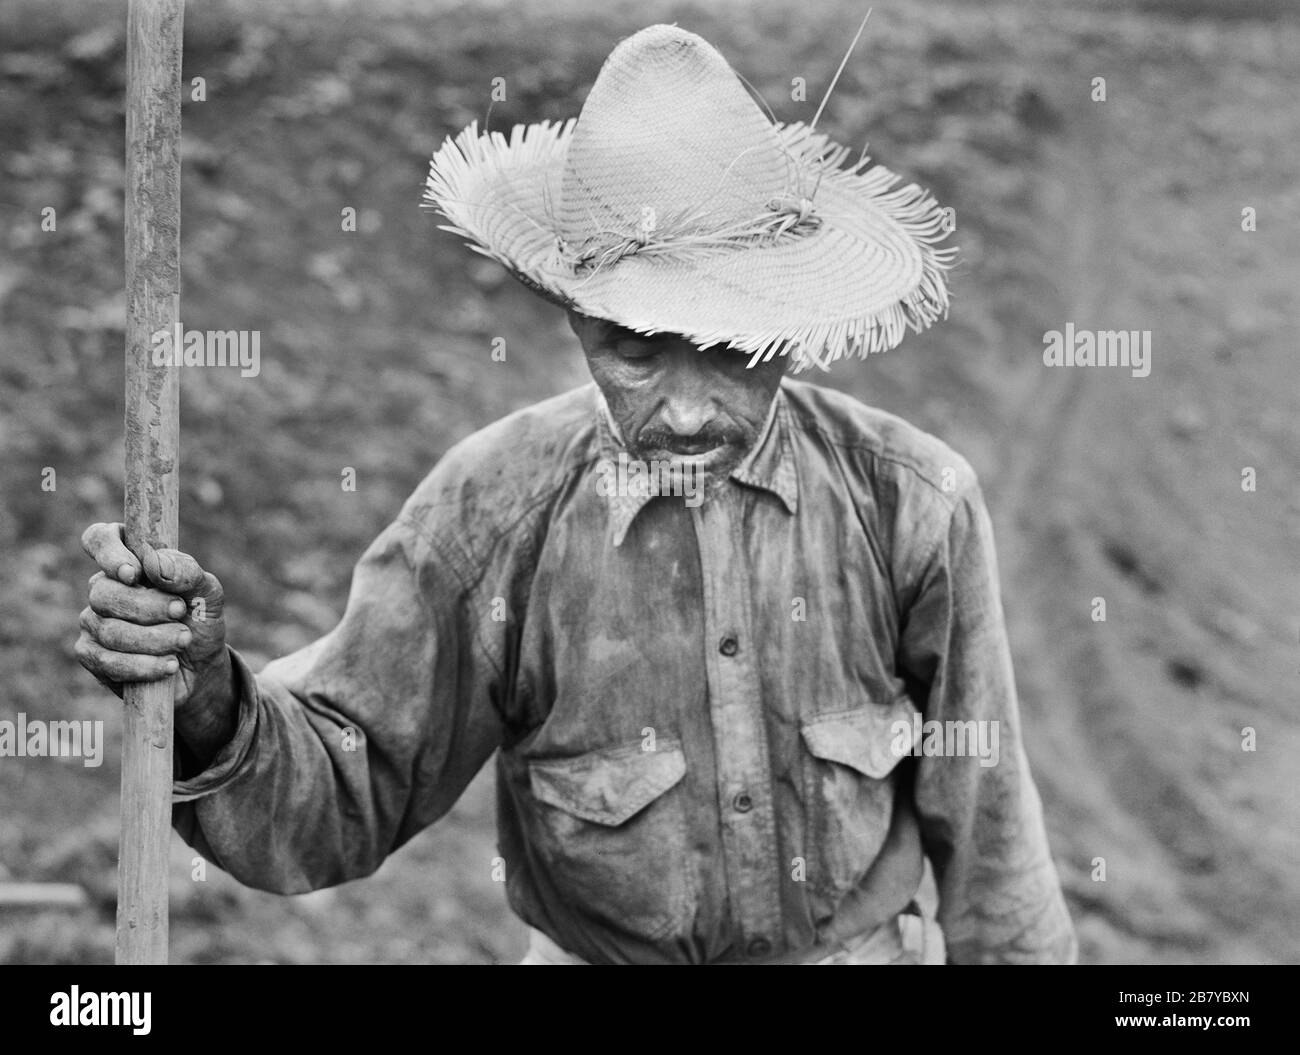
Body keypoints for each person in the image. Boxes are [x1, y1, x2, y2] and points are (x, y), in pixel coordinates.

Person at [76, 24, 1077, 964]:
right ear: (574, 317)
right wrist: (206, 701)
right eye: (633, 350)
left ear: (793, 323)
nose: (688, 410)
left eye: (734, 348)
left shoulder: (911, 503)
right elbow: (345, 785)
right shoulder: (490, 515)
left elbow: (990, 836)